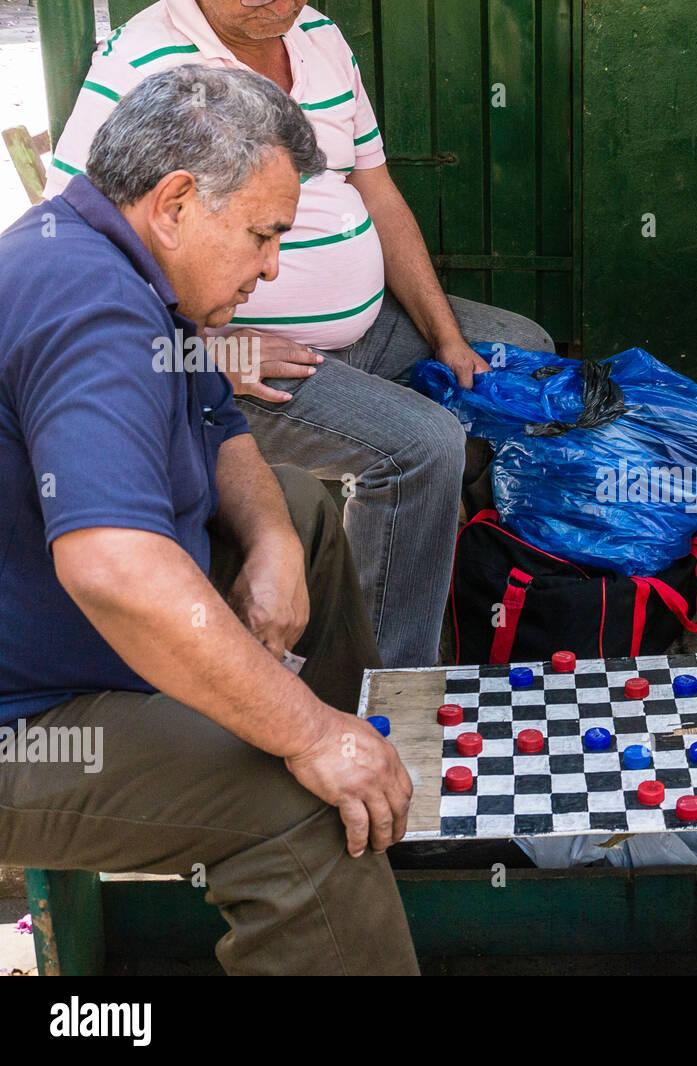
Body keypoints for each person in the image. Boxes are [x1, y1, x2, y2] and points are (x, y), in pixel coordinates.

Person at [1, 66, 418, 975]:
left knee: (301, 509)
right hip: (30, 723)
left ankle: (366, 796)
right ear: (178, 201)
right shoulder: (89, 305)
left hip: (60, 650)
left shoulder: (125, 260)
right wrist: (303, 736)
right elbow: (112, 567)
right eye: (264, 234)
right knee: (291, 799)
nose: (272, 266)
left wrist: (271, 543)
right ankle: (319, 838)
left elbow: (220, 424)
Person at [46, 0, 555, 667]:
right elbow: (74, 235)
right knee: (423, 447)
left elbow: (378, 193)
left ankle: (477, 600)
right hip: (247, 354)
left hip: (370, 327)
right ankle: (387, 686)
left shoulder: (318, 34)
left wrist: (447, 334)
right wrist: (201, 350)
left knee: (526, 354)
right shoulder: (142, 55)